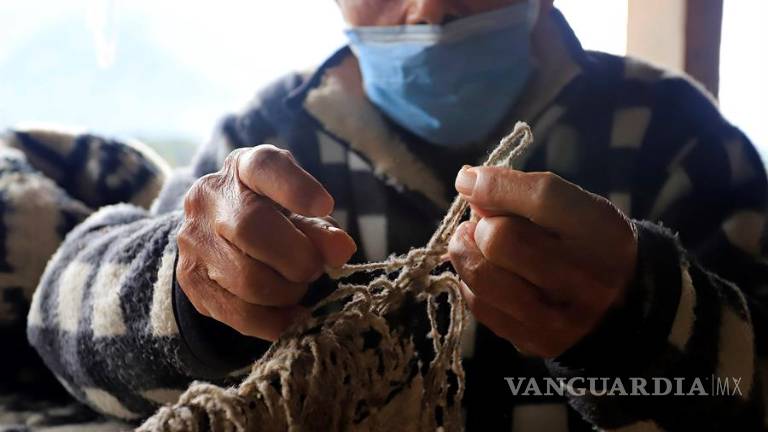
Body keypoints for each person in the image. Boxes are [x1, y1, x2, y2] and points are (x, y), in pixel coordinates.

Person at [1, 0, 766, 430]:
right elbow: (59, 318)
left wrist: (643, 319)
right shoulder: (264, 134)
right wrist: (188, 290)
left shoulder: (676, 138)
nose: (430, 6)